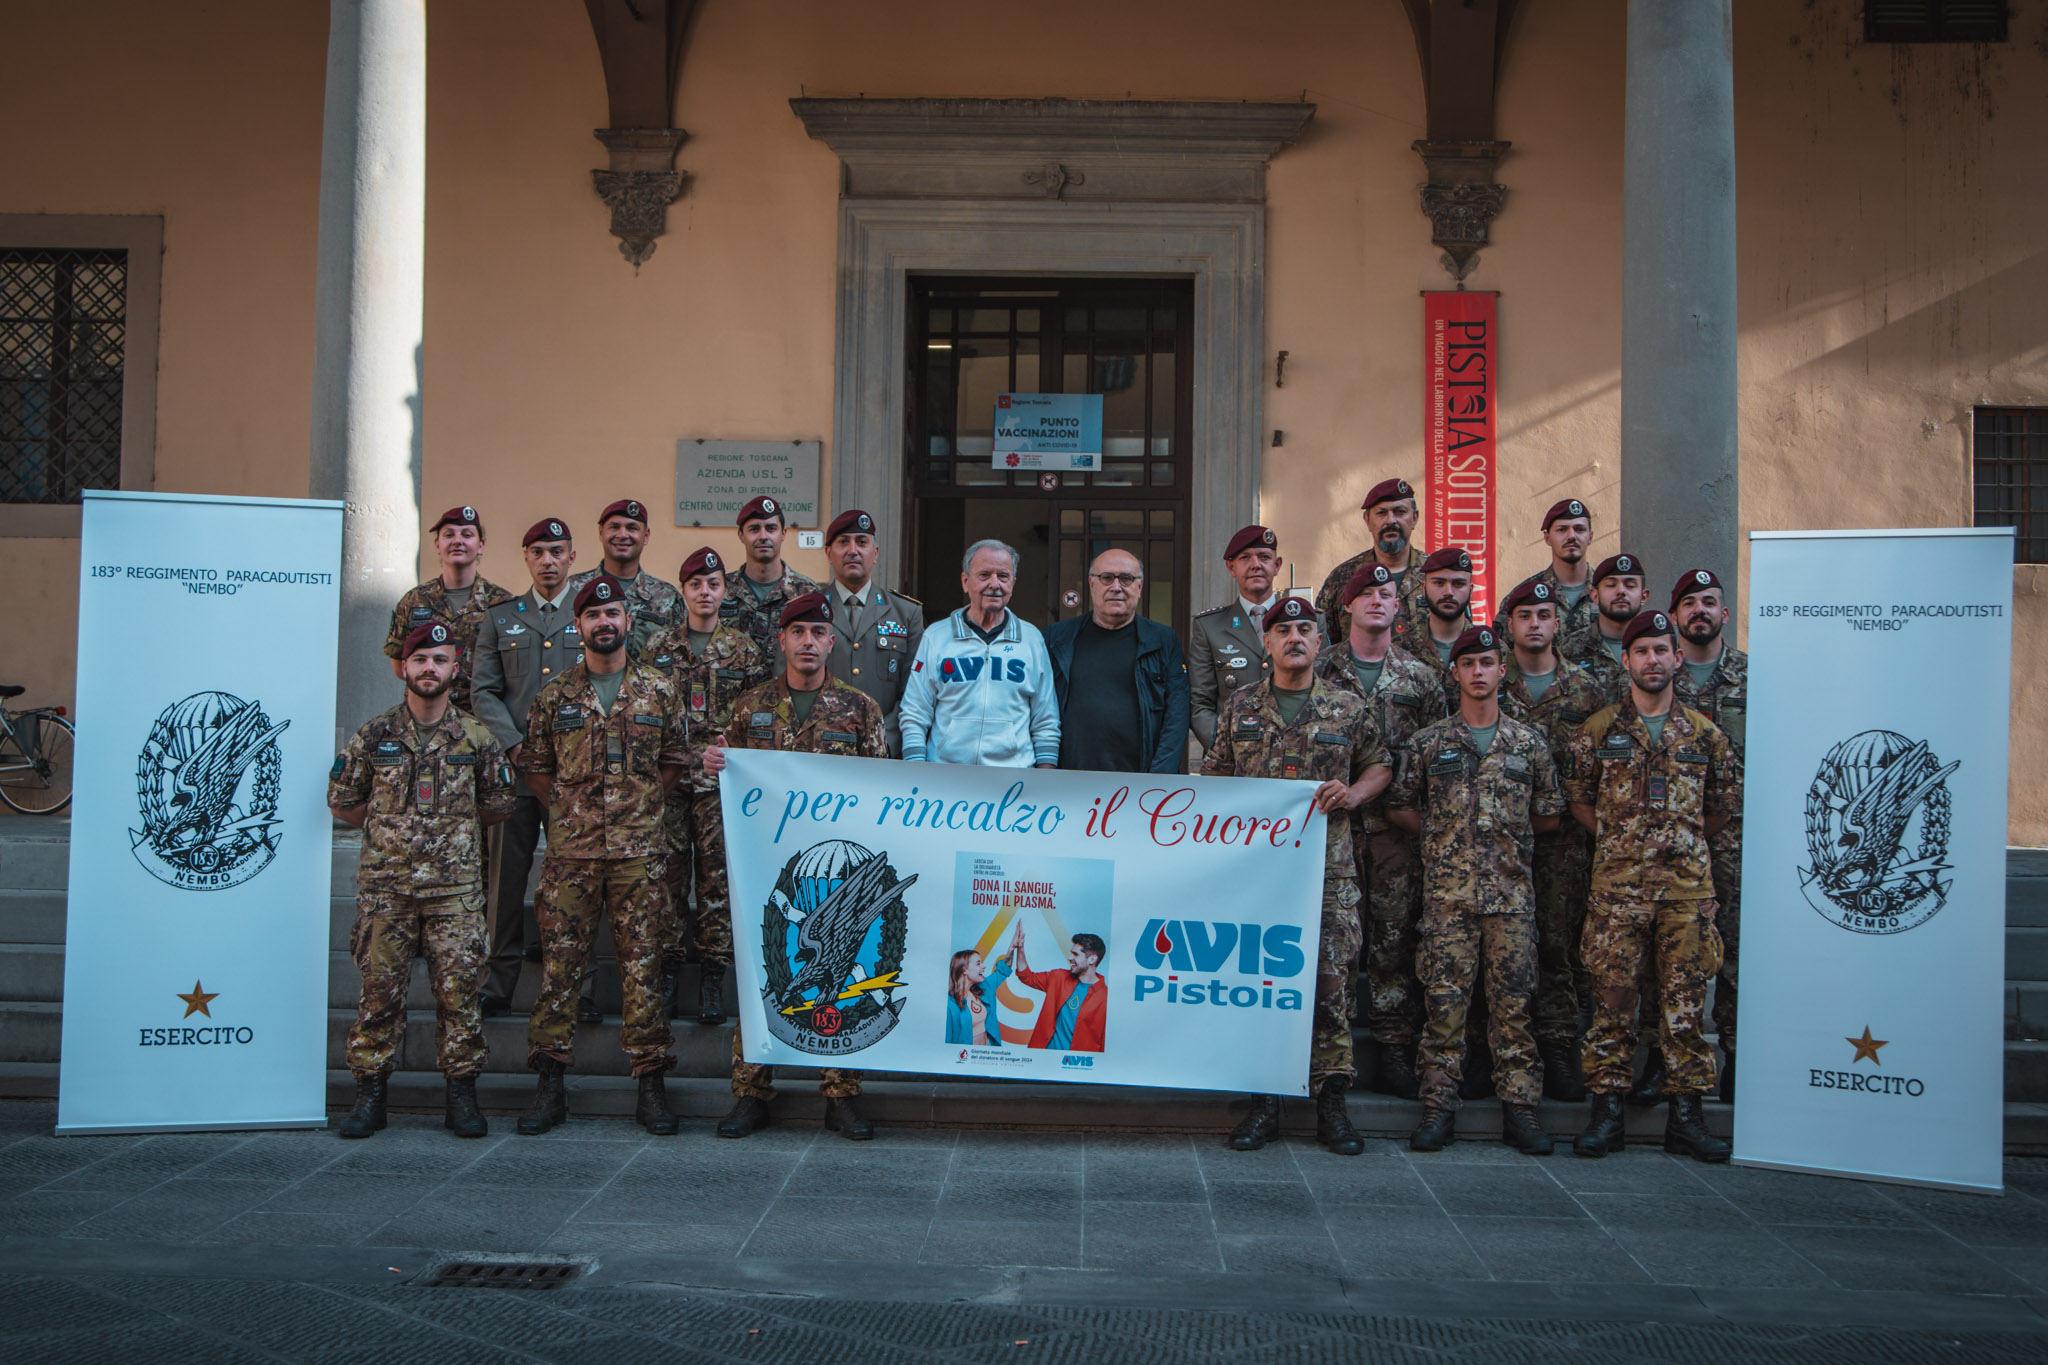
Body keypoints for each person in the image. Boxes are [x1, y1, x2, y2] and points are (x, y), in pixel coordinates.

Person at [1205, 595, 1393, 1157]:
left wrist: (1354, 794)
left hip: (1327, 874)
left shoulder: (1346, 707)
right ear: (1266, 642)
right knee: (1262, 988)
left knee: (1331, 986)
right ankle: (1264, 1103)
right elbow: (1214, 779)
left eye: (1304, 629)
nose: (1294, 637)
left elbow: (1380, 763)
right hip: (1259, 879)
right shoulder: (1240, 708)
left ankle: (1331, 1105)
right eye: (1282, 629)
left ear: (1318, 642)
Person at [702, 592, 889, 1140]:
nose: (808, 642)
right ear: (781, 640)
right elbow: (725, 775)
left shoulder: (860, 710)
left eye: (818, 633)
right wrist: (715, 762)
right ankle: (751, 1089)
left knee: (835, 973)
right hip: (769, 868)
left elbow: (879, 791)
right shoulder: (749, 707)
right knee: (766, 970)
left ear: (833, 642)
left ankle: (841, 1093)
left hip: (836, 874)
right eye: (798, 632)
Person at [514, 573, 690, 1137]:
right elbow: (537, 769)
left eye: (613, 614)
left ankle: (651, 1084)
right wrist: (574, 813)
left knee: (644, 968)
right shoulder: (556, 695)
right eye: (593, 616)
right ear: (579, 625)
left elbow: (673, 762)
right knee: (561, 971)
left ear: (628, 621)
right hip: (572, 857)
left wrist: (636, 807)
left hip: (640, 856)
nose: (604, 623)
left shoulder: (659, 691)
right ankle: (549, 1084)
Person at [328, 623, 517, 1140]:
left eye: (439, 659)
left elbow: (498, 805)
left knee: (459, 996)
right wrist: (396, 827)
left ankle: (461, 1096)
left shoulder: (477, 738)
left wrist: (443, 833)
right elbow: (344, 802)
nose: (429, 668)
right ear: (404, 669)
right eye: (419, 660)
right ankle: (370, 1097)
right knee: (379, 995)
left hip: (454, 893)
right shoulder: (374, 735)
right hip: (386, 891)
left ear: (455, 670)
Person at [1565, 610, 1740, 1163]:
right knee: (1612, 1002)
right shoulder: (1598, 731)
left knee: (1684, 1007)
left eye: (1662, 650)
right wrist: (1624, 840)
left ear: (1677, 658)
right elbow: (1579, 801)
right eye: (1642, 651)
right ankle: (1607, 1112)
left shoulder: (1705, 736)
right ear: (1627, 661)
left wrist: (1675, 846)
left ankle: (1686, 1116)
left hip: (1687, 895)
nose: (1653, 660)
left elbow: (1720, 808)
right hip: (1618, 891)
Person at [1386, 626, 1562, 1156]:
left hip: (1510, 899)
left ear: (1500, 671)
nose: (1479, 672)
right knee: (1444, 1003)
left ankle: (1521, 1108)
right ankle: (1439, 1105)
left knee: (1513, 1005)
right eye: (1469, 664)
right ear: (1455, 673)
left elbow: (1548, 814)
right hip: (1448, 899)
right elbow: (1399, 806)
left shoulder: (1528, 743)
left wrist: (1497, 841)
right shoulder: (1429, 743)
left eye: (1488, 663)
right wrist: (1447, 835)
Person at [1314, 563, 1445, 1100]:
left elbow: (1437, 751)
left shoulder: (1421, 678)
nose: (1375, 600)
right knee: (1331, 945)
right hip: (1327, 831)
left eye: (1385, 593)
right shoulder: (1319, 668)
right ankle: (1324, 1051)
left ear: (1398, 606)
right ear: (1346, 606)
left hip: (1395, 829)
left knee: (1392, 940)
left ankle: (1393, 1049)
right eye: (1363, 593)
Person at [644, 547, 770, 1025]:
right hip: (672, 778)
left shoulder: (744, 650)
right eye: (695, 584)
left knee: (718, 880)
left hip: (722, 784)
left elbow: (758, 716)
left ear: (724, 591)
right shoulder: (659, 648)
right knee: (670, 879)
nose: (704, 592)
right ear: (684, 590)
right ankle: (671, 970)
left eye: (713, 584)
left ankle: (714, 976)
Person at [1495, 575, 1607, 1101]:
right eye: (1524, 617)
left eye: (1543, 617)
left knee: (1559, 945)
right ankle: (1490, 1049)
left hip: (1563, 842)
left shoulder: (1587, 689)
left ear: (1557, 624)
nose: (1534, 625)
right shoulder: (1489, 679)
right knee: (1498, 950)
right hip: (1496, 844)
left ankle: (1560, 1045)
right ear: (1509, 625)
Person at [469, 516, 583, 1016]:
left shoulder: (593, 613)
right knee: (505, 878)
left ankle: (578, 985)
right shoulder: (500, 617)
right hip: (515, 775)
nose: (548, 560)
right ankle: (498, 982)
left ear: (572, 557)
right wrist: (515, 746)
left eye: (557, 551)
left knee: (577, 878)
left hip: (574, 775)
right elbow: (483, 691)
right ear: (525, 559)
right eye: (538, 552)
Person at [1669, 567, 1747, 1103]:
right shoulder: (1657, 674)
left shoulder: (1753, 677)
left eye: (1710, 601)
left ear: (1724, 613)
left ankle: (1740, 1056)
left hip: (1736, 842)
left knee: (1739, 952)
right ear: (1675, 617)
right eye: (1690, 602)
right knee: (1673, 955)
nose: (1700, 610)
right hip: (1668, 844)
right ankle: (1665, 1058)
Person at [898, 539, 1060, 769]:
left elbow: (1045, 719)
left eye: (1003, 576)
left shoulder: (1032, 640)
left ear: (1013, 583)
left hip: (1014, 780)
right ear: (965, 581)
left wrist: (1046, 774)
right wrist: (917, 769)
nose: (994, 584)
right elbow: (914, 713)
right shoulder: (935, 637)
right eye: (984, 575)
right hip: (946, 776)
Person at [1045, 548, 1189, 773]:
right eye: (1106, 578)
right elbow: (1039, 709)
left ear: (1139, 587)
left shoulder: (1163, 640)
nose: (1116, 587)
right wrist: (1046, 767)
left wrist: (1160, 778)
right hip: (1069, 780)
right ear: (1092, 584)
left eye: (1126, 579)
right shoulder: (1057, 639)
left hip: (1141, 781)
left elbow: (1177, 715)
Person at [382, 505, 516, 713]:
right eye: (449, 534)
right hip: (425, 716)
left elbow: (513, 668)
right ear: (437, 544)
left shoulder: (502, 604)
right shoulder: (414, 601)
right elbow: (399, 665)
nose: (457, 541)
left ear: (481, 545)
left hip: (482, 719)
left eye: (467, 534)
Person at [821, 508, 924, 757]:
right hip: (820, 749)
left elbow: (914, 692)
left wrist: (881, 738)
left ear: (875, 553)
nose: (853, 550)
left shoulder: (906, 612)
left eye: (862, 542)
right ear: (828, 553)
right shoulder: (809, 609)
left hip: (883, 751)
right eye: (843, 542)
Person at [1188, 525, 1282, 751]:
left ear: (1277, 565)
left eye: (1264, 557)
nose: (1255, 565)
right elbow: (1200, 704)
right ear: (1231, 567)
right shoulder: (1209, 627)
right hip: (1231, 761)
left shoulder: (1307, 624)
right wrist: (1223, 749)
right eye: (1245, 558)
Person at [1316, 477, 1427, 643]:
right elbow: (1322, 644)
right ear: (1367, 521)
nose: (1391, 520)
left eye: (1400, 512)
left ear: (1415, 518)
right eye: (1381, 513)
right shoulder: (1341, 578)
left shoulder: (1436, 575)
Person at [565, 498, 681, 655]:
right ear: (601, 532)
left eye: (632, 528)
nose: (622, 534)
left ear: (646, 535)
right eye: (614, 527)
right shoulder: (572, 589)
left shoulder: (668, 597)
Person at [722, 495, 821, 669]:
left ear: (783, 533)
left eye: (771, 528)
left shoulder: (807, 593)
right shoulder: (720, 590)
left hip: (784, 694)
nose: (763, 536)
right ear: (741, 535)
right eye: (754, 529)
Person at [1561, 553, 1647, 706]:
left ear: (1644, 596)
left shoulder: (1658, 651)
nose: (1621, 591)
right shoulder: (1569, 650)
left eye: (1630, 585)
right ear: (1595, 596)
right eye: (1611, 585)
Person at [1011, 923, 1108, 1051]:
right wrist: (1020, 948)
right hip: (1043, 1059)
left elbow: (1104, 1043)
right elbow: (1026, 976)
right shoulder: (1058, 977)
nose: (1069, 958)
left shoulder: (1106, 997)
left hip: (1075, 1067)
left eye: (1076, 954)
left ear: (1092, 960)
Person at [1393, 547, 1475, 671]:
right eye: (1439, 583)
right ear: (1423, 588)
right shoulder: (1400, 648)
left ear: (1471, 590)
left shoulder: (1490, 651)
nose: (1448, 592)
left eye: (1458, 584)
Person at [1533, 499, 1599, 643]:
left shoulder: (1608, 595)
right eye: (1562, 530)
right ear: (1547, 537)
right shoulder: (1526, 596)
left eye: (1579, 529)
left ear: (1590, 537)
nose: (1571, 536)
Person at [946, 946, 1014, 1048]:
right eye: (978, 963)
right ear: (964, 970)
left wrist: (1012, 947)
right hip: (966, 1056)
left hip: (989, 1047)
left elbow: (1003, 970)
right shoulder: (949, 1004)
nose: (984, 966)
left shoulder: (984, 987)